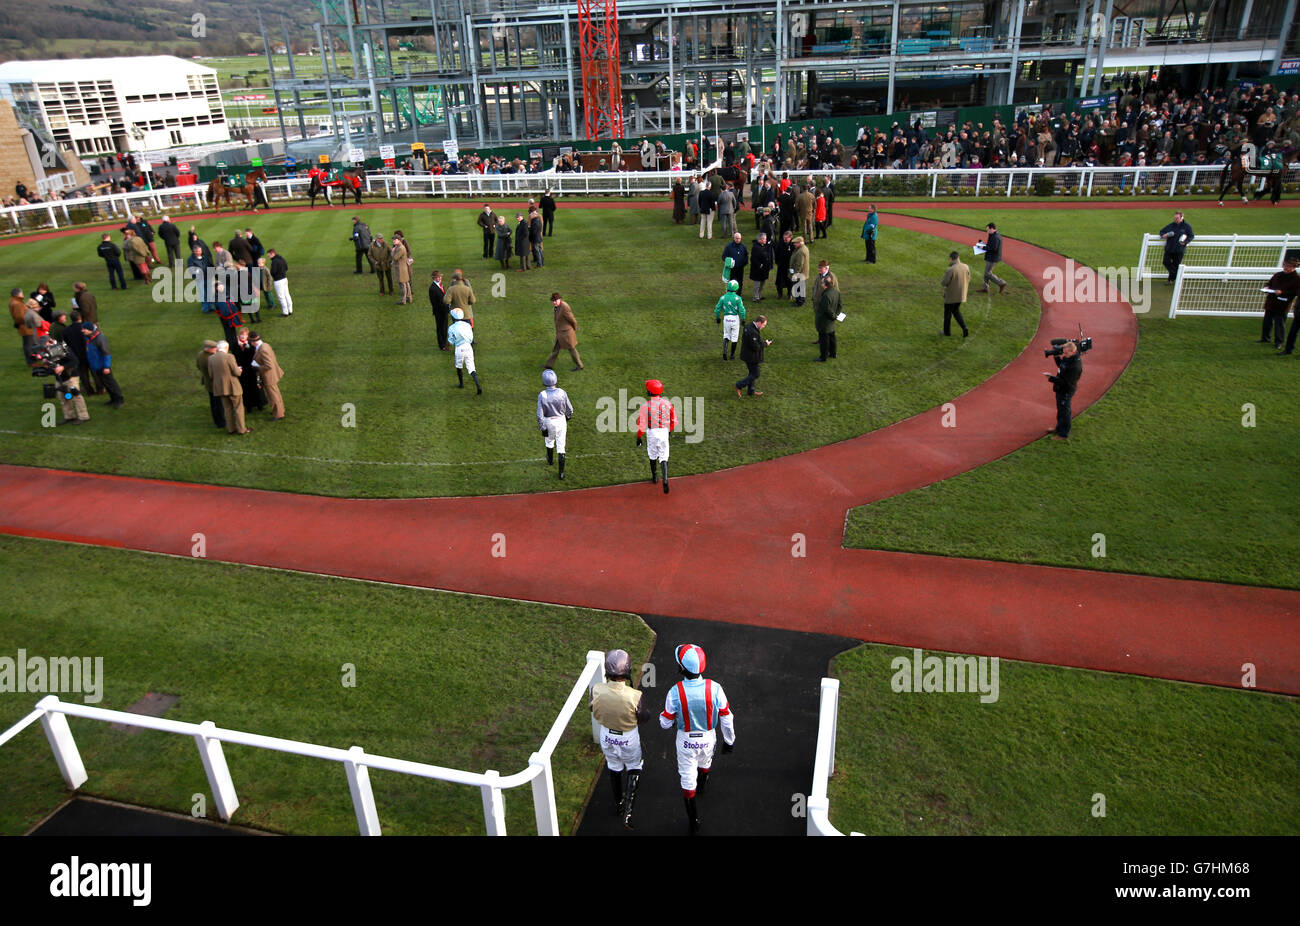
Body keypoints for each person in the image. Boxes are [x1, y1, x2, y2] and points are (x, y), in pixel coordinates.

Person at [658, 643, 735, 835]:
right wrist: (729, 741)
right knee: (705, 761)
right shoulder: (715, 688)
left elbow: (664, 723)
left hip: (685, 741)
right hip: (708, 738)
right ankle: (702, 785)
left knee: (686, 779)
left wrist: (672, 720)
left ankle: (694, 821)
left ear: (682, 668)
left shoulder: (675, 691)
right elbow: (727, 717)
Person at [591, 648, 650, 828]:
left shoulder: (597, 690)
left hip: (607, 736)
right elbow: (644, 717)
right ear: (627, 670)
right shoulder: (635, 695)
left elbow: (592, 709)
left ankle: (618, 804)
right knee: (634, 766)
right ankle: (628, 810)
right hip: (628, 738)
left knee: (614, 766)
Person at [635, 378, 677, 494]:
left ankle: (654, 477)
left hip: (652, 433)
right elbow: (673, 421)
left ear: (649, 392)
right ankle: (665, 479)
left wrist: (639, 438)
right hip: (663, 432)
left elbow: (641, 425)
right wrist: (669, 431)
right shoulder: (668, 404)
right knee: (664, 456)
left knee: (652, 455)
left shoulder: (646, 406)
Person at [536, 368, 574, 479]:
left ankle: (550, 460)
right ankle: (561, 473)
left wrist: (542, 427)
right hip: (561, 420)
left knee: (549, 441)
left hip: (548, 421)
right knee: (561, 445)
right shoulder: (562, 392)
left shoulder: (542, 395)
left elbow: (540, 414)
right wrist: (568, 417)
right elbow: (570, 409)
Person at [209, 340, 250, 435]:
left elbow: (211, 375)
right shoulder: (229, 357)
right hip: (232, 387)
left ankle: (231, 429)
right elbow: (236, 372)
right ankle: (241, 429)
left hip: (220, 387)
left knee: (227, 408)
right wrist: (239, 370)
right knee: (238, 408)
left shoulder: (211, 358)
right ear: (226, 348)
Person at [1261, 252, 1300, 349]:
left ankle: (1279, 341)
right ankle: (1265, 337)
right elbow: (1270, 282)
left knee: (1279, 323)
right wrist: (1267, 286)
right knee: (1267, 321)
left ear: (1294, 267)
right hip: (1271, 302)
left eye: (1288, 266)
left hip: (1283, 304)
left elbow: (1295, 292)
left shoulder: (1296, 279)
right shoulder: (1278, 275)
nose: (1286, 268)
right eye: (1285, 266)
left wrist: (1282, 292)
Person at [1046, 339, 1083, 440]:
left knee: (1065, 412)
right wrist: (1056, 356)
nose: (1064, 354)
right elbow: (1062, 366)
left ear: (1073, 352)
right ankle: (1059, 428)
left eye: (1066, 353)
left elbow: (1066, 382)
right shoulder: (1069, 358)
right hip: (1061, 389)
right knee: (1061, 410)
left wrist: (1051, 378)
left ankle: (1063, 434)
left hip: (1066, 390)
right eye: (1064, 352)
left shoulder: (1075, 366)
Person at [48, 336, 89, 426]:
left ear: (50, 341)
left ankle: (83, 416)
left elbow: (75, 361)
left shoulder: (63, 348)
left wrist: (62, 367)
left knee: (76, 396)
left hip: (71, 377)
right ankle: (69, 416)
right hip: (60, 378)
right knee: (63, 397)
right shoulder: (47, 351)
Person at [81, 321, 124, 408]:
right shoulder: (88, 338)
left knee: (111, 383)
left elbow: (106, 354)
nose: (82, 330)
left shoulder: (100, 338)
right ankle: (113, 399)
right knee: (105, 384)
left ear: (89, 329)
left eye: (84, 329)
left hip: (103, 367)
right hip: (96, 367)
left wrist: (106, 367)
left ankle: (119, 400)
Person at [250, 332, 285, 421]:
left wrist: (257, 368)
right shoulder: (265, 345)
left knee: (273, 395)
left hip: (269, 376)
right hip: (272, 374)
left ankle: (278, 414)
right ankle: (279, 410)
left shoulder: (262, 350)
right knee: (276, 393)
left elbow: (268, 365)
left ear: (253, 342)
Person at [545, 292, 584, 371]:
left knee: (572, 349)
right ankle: (548, 365)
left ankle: (580, 366)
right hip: (560, 333)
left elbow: (572, 319)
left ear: (560, 299)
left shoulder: (565, 307)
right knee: (555, 349)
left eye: (555, 300)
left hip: (566, 334)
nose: (554, 302)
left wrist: (574, 329)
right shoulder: (556, 307)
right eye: (553, 301)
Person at [447, 308, 481, 394]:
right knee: (471, 368)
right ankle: (478, 385)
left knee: (459, 366)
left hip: (459, 348)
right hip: (468, 347)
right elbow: (471, 337)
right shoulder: (467, 325)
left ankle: (461, 384)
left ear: (453, 318)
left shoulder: (451, 328)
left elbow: (451, 341)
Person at [736, 315, 771, 398]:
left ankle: (751, 391)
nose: (763, 327)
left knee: (752, 373)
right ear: (759, 323)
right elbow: (756, 347)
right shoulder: (752, 332)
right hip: (751, 357)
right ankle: (739, 385)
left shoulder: (749, 326)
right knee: (756, 374)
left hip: (747, 354)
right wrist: (766, 344)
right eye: (763, 325)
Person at [231, 327, 265, 412]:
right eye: (241, 334)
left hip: (252, 369)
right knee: (245, 388)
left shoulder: (251, 344)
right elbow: (235, 356)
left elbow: (254, 355)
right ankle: (248, 406)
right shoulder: (235, 344)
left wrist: (247, 348)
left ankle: (259, 404)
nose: (243, 336)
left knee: (256, 386)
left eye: (245, 335)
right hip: (242, 369)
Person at [940, 250, 971, 337]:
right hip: (961, 295)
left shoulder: (950, 269)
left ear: (951, 259)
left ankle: (947, 332)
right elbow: (969, 279)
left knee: (947, 314)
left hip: (951, 296)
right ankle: (964, 328)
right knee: (956, 311)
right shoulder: (966, 266)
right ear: (958, 258)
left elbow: (944, 282)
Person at [1158, 211, 1195, 284]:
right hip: (1169, 248)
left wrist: (1185, 242)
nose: (1175, 219)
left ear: (1181, 218)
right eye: (1174, 218)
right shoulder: (1171, 225)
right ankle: (1177, 275)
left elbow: (1191, 236)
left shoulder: (1187, 226)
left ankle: (1170, 280)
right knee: (1166, 262)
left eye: (1177, 218)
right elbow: (1162, 231)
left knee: (1176, 265)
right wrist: (1164, 235)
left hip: (1179, 249)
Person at [715, 279, 747, 361]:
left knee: (726, 335)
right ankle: (732, 355)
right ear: (737, 289)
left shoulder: (723, 297)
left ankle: (724, 352)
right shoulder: (738, 298)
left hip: (726, 318)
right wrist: (743, 319)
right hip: (735, 319)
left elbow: (717, 309)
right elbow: (742, 310)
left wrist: (718, 317)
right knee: (734, 337)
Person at [814, 262, 840, 361]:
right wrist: (836, 315)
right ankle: (833, 353)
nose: (821, 284)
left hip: (825, 320)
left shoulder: (825, 296)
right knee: (832, 336)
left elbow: (826, 309)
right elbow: (839, 304)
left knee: (824, 339)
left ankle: (823, 357)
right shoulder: (835, 292)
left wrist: (833, 315)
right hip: (832, 319)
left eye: (822, 283)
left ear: (825, 285)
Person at [196, 339, 225, 429]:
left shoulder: (200, 354)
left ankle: (218, 421)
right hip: (214, 383)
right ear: (208, 349)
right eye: (214, 348)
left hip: (208, 383)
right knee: (217, 404)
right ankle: (220, 422)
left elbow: (198, 366)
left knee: (214, 403)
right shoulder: (210, 358)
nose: (216, 349)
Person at [977, 222, 1007, 294]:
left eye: (988, 230)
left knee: (987, 273)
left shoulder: (995, 237)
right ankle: (985, 288)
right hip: (991, 257)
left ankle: (1001, 283)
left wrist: (983, 247)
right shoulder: (993, 234)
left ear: (992, 229)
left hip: (992, 258)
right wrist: (983, 244)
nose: (987, 231)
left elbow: (993, 248)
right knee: (986, 273)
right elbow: (991, 245)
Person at [749, 232, 773, 302]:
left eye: (765, 239)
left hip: (764, 269)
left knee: (762, 283)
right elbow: (753, 258)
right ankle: (755, 298)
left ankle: (759, 295)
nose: (765, 240)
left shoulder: (764, 245)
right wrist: (760, 265)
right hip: (757, 270)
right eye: (764, 239)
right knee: (757, 284)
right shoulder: (755, 247)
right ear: (760, 239)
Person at [268, 248, 292, 316]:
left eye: (269, 255)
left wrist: (274, 275)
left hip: (278, 281)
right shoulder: (282, 258)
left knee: (281, 297)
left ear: (273, 254)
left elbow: (273, 272)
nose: (269, 257)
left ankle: (285, 312)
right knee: (287, 295)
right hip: (284, 279)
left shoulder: (274, 261)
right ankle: (290, 310)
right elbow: (286, 268)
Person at [429, 270, 449, 350]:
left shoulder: (440, 285)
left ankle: (445, 342)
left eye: (440, 277)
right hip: (439, 312)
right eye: (437, 277)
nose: (439, 278)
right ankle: (442, 345)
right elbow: (434, 303)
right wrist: (444, 307)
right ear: (434, 278)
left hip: (444, 310)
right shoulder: (432, 288)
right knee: (441, 328)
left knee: (445, 327)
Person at [789, 236, 810, 306]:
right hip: (802, 273)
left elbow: (799, 264)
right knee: (800, 287)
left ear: (800, 243)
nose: (794, 244)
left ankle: (799, 302)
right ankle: (801, 301)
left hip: (799, 274)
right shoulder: (802, 248)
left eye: (795, 243)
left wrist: (795, 274)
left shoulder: (801, 251)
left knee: (798, 288)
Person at [391, 232, 412, 304]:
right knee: (406, 283)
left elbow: (395, 258)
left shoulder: (400, 248)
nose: (393, 241)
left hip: (401, 269)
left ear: (399, 240)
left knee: (402, 285)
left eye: (395, 240)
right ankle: (409, 298)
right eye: (393, 239)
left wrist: (392, 251)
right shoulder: (399, 247)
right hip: (403, 268)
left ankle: (403, 300)